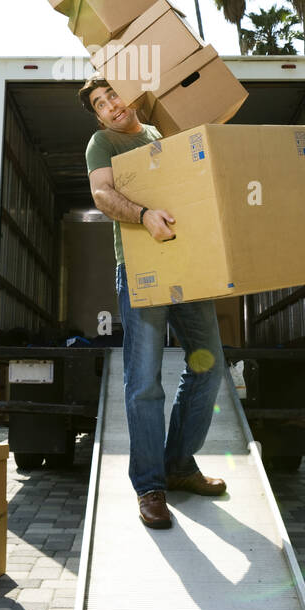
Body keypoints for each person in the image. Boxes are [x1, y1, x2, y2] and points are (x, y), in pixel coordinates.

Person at [80, 76, 226, 529]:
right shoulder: (101, 144)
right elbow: (102, 194)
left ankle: (180, 464)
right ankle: (150, 485)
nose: (109, 107)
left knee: (209, 365)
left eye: (112, 96)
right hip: (141, 270)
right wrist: (143, 215)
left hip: (185, 265)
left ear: (128, 93)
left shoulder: (164, 134)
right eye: (100, 105)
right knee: (144, 380)